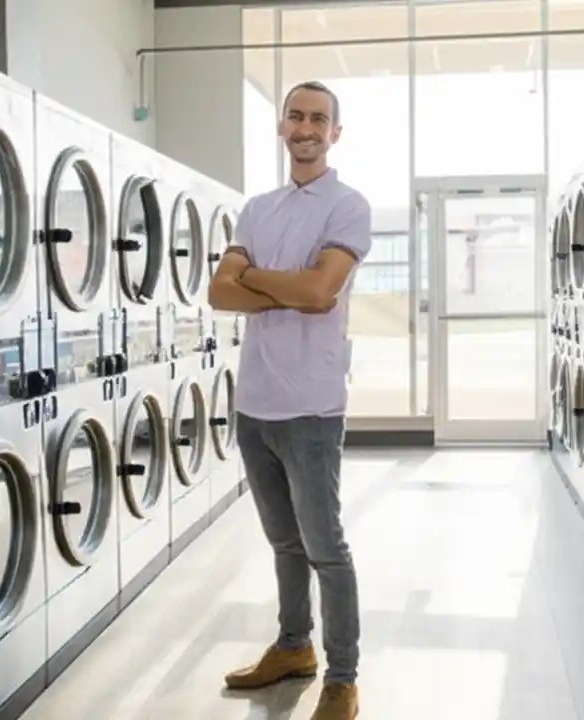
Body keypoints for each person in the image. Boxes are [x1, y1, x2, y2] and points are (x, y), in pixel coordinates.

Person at [207, 80, 369, 720]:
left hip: (311, 406)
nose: (306, 127)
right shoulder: (258, 208)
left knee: (325, 547)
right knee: (284, 542)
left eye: (318, 119)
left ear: (335, 133)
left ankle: (343, 678)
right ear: (282, 126)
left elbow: (321, 294)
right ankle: (294, 646)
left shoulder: (347, 206)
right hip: (255, 403)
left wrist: (252, 275)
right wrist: (289, 286)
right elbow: (219, 294)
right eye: (296, 116)